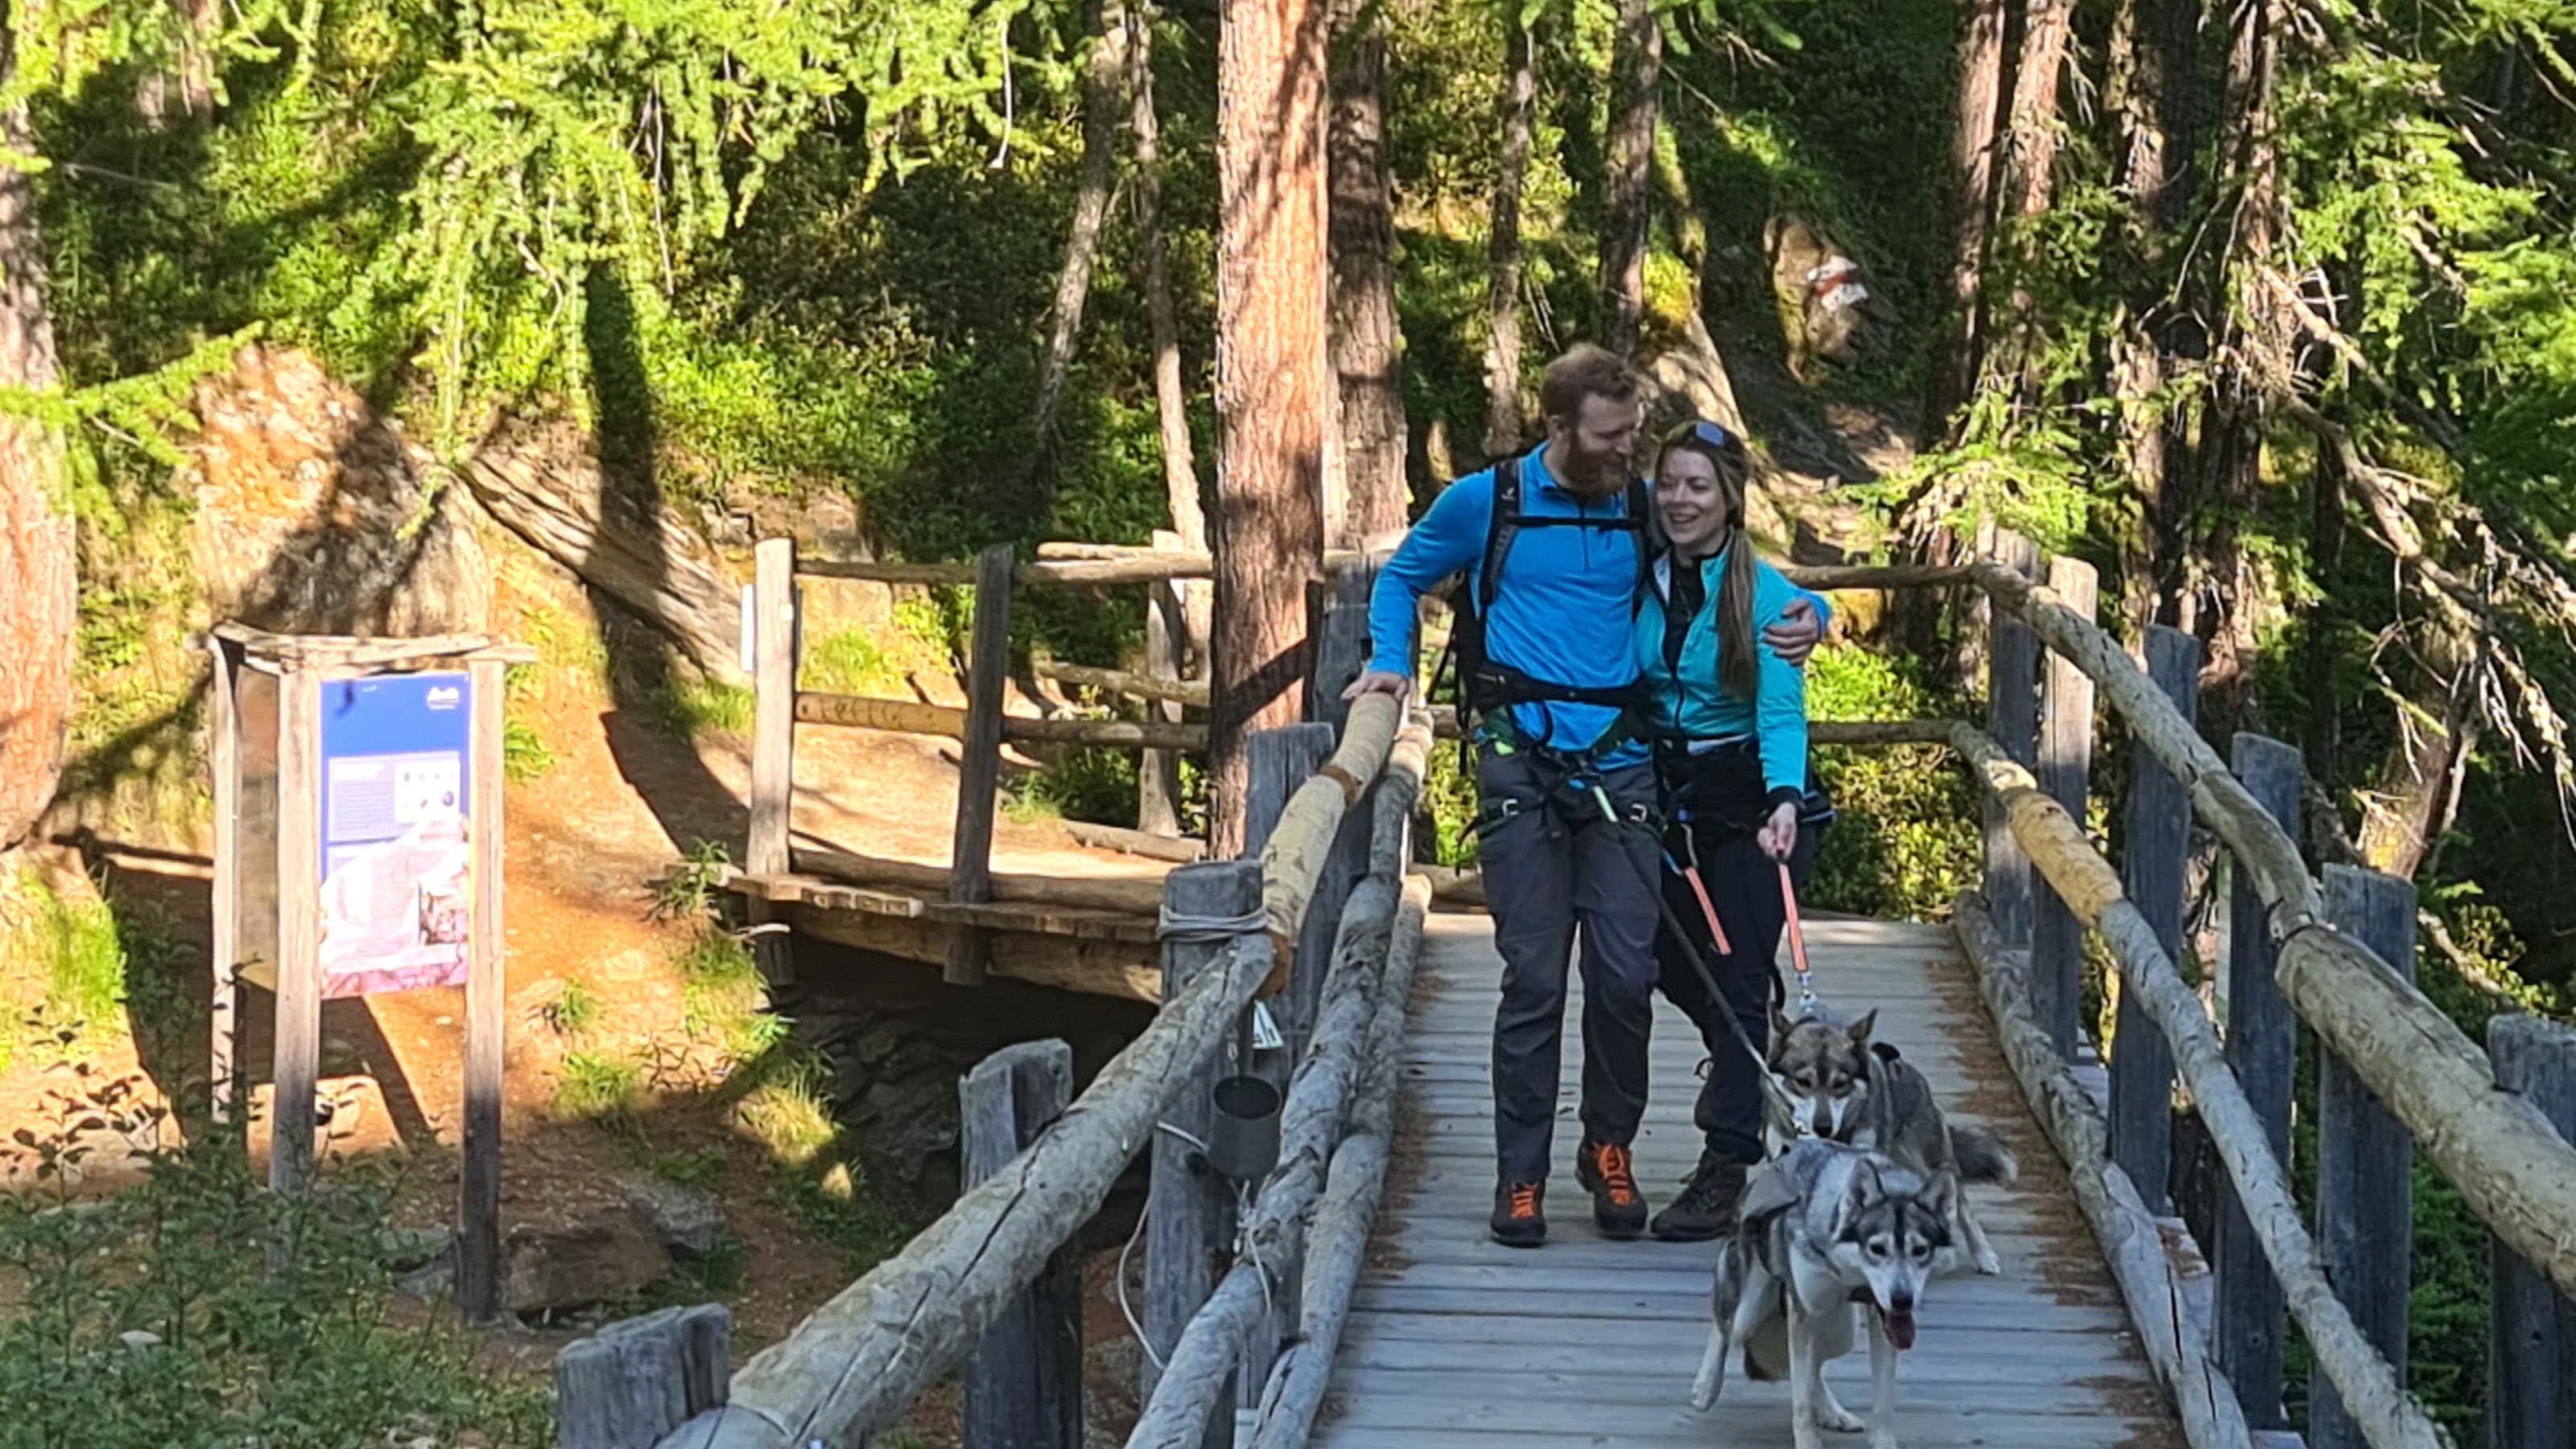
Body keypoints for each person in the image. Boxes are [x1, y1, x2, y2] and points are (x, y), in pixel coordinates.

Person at [1344, 347, 1823, 1247]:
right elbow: (1402, 577)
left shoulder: (1644, 507)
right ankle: (1518, 1176)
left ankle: (1609, 1148)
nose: (1626, 451)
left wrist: (1817, 618)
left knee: (1621, 975)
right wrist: (1388, 663)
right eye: (1610, 437)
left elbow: (1751, 583)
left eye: (1632, 432)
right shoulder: (1488, 502)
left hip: (1621, 766)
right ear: (1557, 428)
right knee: (1531, 978)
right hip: (1517, 761)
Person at [1630, 419, 1825, 1241]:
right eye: (1668, 483)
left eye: (1697, 486)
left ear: (1729, 499)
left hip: (1751, 801)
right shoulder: (1632, 574)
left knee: (1738, 976)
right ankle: (1734, 1037)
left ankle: (1726, 1163)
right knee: (1655, 956)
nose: (1679, 500)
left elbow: (1781, 714)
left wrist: (1782, 799)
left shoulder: (1769, 599)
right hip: (1661, 792)